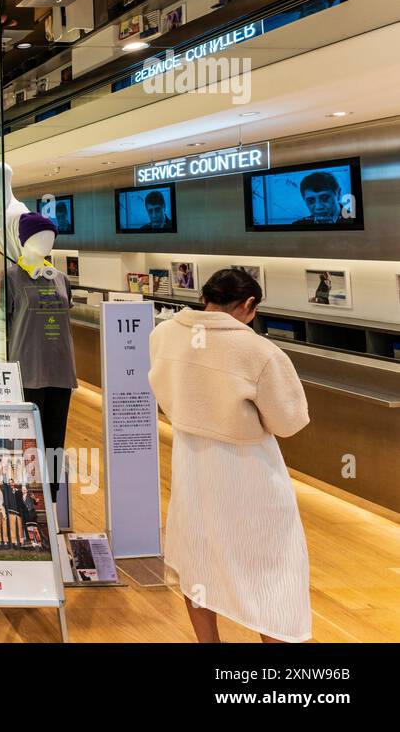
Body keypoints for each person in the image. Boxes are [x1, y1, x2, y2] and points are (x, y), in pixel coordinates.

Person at [148, 268, 311, 643]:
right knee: (274, 570)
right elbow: (289, 422)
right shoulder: (260, 351)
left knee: (198, 561)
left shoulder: (163, 335)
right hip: (249, 475)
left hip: (191, 467)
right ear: (248, 305)